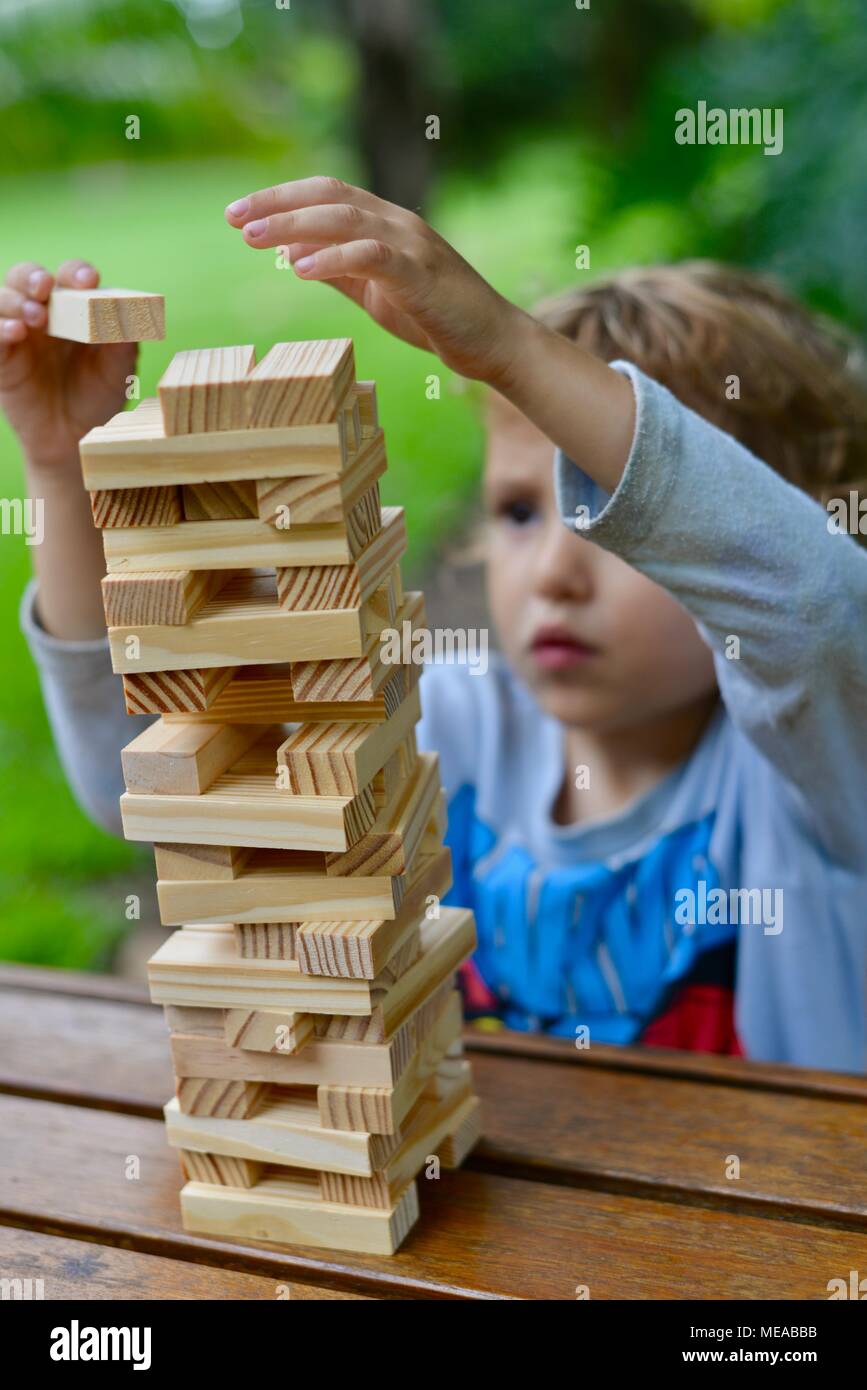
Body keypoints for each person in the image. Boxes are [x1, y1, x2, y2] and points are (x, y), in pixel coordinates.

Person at [3, 177, 866, 1070]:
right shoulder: (443, 723)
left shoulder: (819, 772)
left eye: (611, 513)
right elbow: (153, 776)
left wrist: (514, 351)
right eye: (522, 512)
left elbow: (814, 606)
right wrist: (68, 472)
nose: (557, 572)